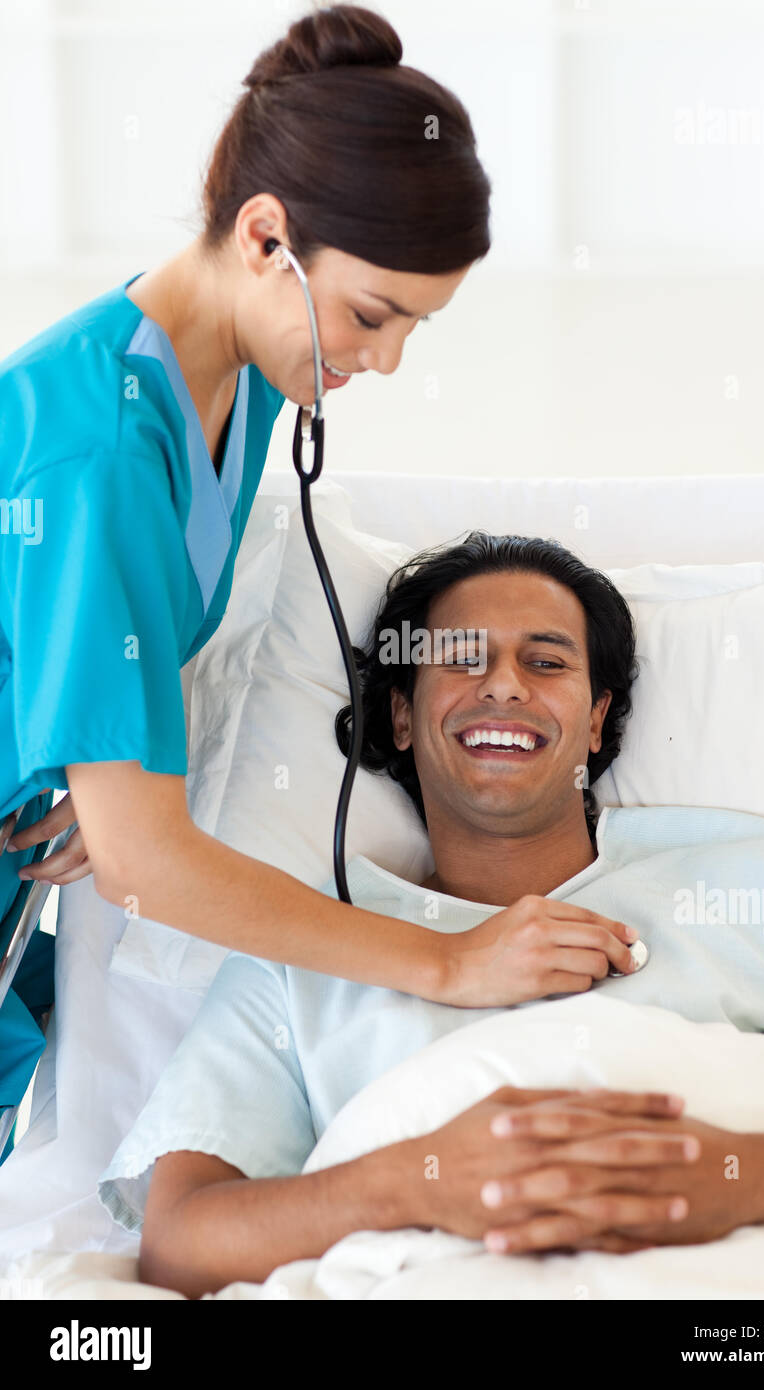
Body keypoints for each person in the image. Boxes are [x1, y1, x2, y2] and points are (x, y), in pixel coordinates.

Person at [0, 6, 630, 1155]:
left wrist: (94, 758)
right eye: (369, 315)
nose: (380, 361)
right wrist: (448, 959)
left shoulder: (225, 386)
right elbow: (147, 866)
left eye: (412, 331)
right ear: (262, 236)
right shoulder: (96, 447)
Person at [97, 534, 764, 1298]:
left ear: (597, 722)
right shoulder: (300, 949)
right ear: (401, 716)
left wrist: (746, 1178)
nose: (504, 686)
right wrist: (418, 1184)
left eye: (547, 661)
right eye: (462, 659)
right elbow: (181, 1245)